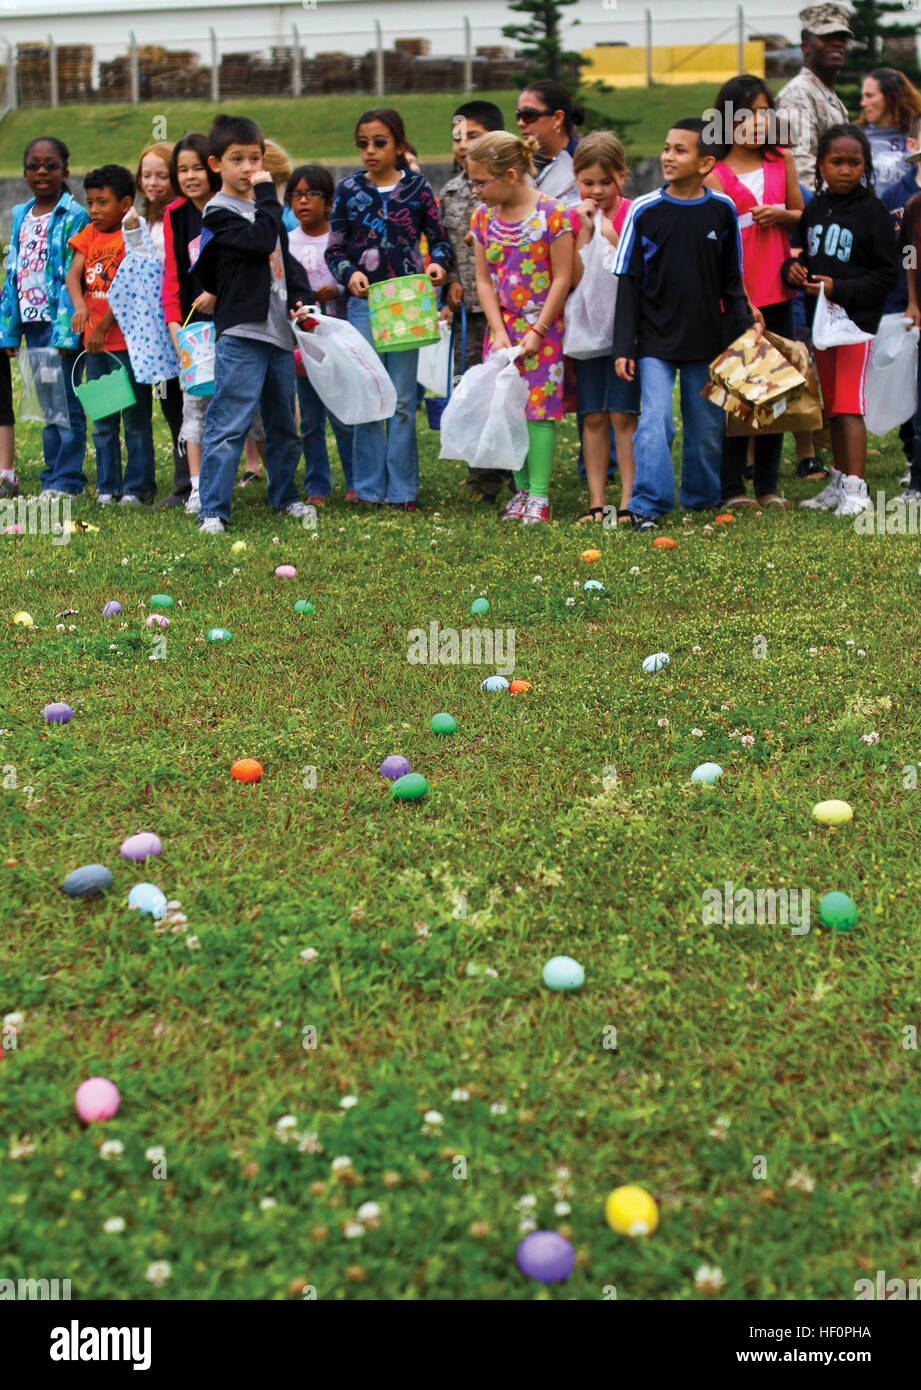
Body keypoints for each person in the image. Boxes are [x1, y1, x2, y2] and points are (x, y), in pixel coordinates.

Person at [612, 119, 755, 529]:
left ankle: (701, 498)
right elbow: (628, 283)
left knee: (708, 427)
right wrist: (624, 345)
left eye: (680, 150)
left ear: (706, 162)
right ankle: (647, 506)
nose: (668, 157)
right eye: (666, 147)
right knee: (655, 422)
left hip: (708, 342)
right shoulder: (643, 210)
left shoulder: (722, 210)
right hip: (654, 342)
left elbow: (733, 282)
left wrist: (746, 331)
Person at [192, 114, 314, 534]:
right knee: (229, 422)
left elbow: (284, 259)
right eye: (237, 159)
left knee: (284, 424)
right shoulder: (219, 212)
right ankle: (212, 509)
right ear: (216, 164)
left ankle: (285, 497)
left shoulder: (266, 212)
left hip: (279, 333)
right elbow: (261, 241)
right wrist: (267, 194)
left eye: (255, 158)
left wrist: (302, 301)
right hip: (242, 333)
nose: (248, 168)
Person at [326, 106, 451, 510]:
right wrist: (348, 275)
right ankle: (366, 488)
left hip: (408, 303)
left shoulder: (418, 188)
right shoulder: (347, 190)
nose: (370, 151)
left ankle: (402, 491)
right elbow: (335, 247)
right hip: (364, 304)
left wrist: (437, 264)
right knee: (368, 394)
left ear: (398, 145)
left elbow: (440, 240)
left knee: (399, 399)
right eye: (363, 144)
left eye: (379, 142)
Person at [782, 124, 899, 516]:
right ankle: (837, 479)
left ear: (865, 166)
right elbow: (807, 258)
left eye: (855, 162)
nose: (846, 170)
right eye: (837, 162)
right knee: (831, 405)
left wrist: (838, 288)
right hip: (822, 324)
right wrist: (793, 270)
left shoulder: (873, 212)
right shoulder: (815, 208)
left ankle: (857, 487)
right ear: (820, 164)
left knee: (850, 406)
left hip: (856, 323)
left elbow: (887, 274)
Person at [704, 75, 802, 509]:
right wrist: (742, 300)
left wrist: (782, 214)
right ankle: (731, 488)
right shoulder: (715, 172)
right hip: (737, 297)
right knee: (737, 394)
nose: (756, 122)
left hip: (778, 290)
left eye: (764, 111)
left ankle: (768, 485)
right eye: (744, 114)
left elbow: (801, 214)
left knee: (774, 392)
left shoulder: (782, 160)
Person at [469, 131, 573, 525]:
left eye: (481, 182)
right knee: (508, 409)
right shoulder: (482, 218)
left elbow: (562, 277)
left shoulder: (553, 213)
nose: (476, 190)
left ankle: (540, 497)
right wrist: (497, 331)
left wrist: (539, 330)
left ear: (510, 175)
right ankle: (522, 490)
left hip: (543, 331)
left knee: (538, 412)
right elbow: (484, 280)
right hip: (503, 332)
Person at [0, 135, 88, 499]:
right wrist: (8, 332)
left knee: (67, 404)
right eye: (34, 164)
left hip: (61, 328)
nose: (41, 170)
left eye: (50, 164)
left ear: (65, 171)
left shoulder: (74, 215)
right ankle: (52, 475)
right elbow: (12, 273)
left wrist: (68, 334)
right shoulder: (21, 215)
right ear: (24, 173)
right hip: (33, 327)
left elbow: (74, 273)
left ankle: (67, 481)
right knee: (47, 405)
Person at [65, 164, 156, 505]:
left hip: (127, 345)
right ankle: (107, 486)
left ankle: (137, 486)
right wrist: (80, 307)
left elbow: (131, 287)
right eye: (90, 202)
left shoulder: (133, 235)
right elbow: (74, 276)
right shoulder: (89, 235)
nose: (93, 210)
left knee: (135, 419)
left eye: (102, 202)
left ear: (125, 203)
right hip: (95, 347)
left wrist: (102, 326)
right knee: (103, 420)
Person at [440, 98, 506, 504]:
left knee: (510, 395)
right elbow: (441, 247)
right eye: (457, 138)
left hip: (509, 310)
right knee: (472, 394)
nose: (464, 145)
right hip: (469, 315)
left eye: (474, 136)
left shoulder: (507, 188)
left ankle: (521, 477)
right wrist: (447, 283)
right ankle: (482, 480)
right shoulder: (448, 193)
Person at [570, 131, 638, 524]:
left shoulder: (633, 214)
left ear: (621, 177)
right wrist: (582, 234)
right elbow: (574, 277)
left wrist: (608, 235)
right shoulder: (571, 216)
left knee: (622, 415)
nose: (596, 191)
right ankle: (598, 503)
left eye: (605, 182)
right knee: (593, 416)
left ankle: (628, 502)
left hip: (625, 332)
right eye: (587, 182)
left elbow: (632, 270)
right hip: (587, 333)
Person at [285, 162, 354, 504]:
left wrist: (337, 290)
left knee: (343, 416)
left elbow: (352, 282)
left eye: (313, 194)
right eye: (296, 194)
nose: (304, 201)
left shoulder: (338, 239)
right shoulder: (286, 242)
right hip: (304, 345)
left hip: (337, 341)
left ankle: (356, 480)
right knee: (309, 419)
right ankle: (317, 484)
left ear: (329, 202)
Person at [162, 133, 221, 513]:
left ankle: (276, 485)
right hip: (191, 328)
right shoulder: (175, 214)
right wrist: (173, 324)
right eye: (182, 169)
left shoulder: (227, 206)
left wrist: (217, 294)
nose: (190, 176)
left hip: (232, 321)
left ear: (213, 167)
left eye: (197, 167)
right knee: (193, 408)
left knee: (248, 411)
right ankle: (199, 489)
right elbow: (172, 273)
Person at [129, 140, 188, 509]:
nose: (153, 183)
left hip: (179, 321)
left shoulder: (181, 215)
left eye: (161, 175)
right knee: (170, 406)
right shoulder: (141, 217)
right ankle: (184, 482)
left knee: (187, 406)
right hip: (152, 329)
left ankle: (191, 484)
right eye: (146, 175)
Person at [776, 4, 853, 192]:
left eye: (842, 38)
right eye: (826, 37)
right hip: (818, 211)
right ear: (805, 46)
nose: (837, 43)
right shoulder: (797, 94)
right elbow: (801, 172)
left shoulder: (826, 95)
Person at [515, 80, 582, 206]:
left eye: (528, 115)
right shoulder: (515, 163)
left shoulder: (586, 160)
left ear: (558, 118)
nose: (521, 123)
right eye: (518, 116)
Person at [859, 67, 921, 194]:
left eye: (869, 96)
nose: (863, 103)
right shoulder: (857, 138)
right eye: (863, 96)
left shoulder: (917, 136)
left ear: (891, 97)